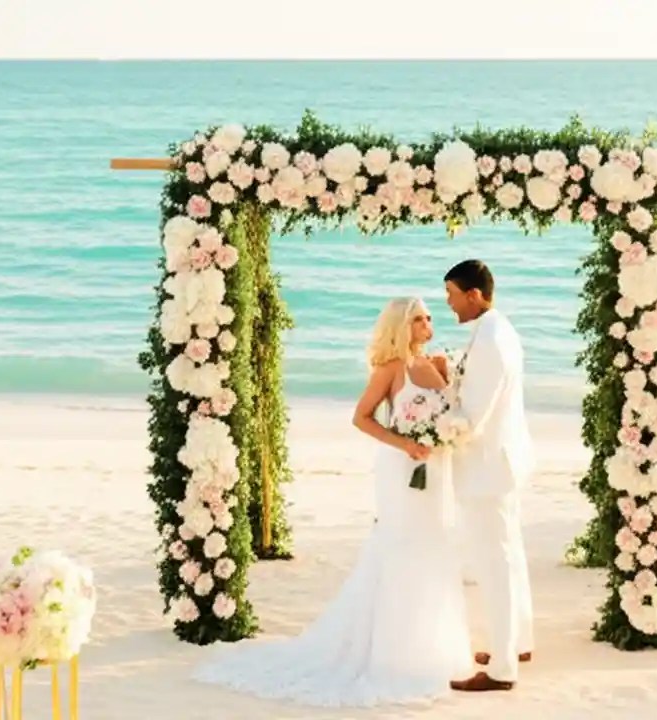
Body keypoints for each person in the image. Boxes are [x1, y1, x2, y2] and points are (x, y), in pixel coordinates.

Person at [192, 296, 473, 707]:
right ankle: (394, 655)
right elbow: (362, 417)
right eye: (418, 318)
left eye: (430, 317)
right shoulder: (391, 369)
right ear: (401, 326)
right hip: (402, 470)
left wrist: (448, 426)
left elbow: (454, 411)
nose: (428, 323)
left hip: (437, 472)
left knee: (435, 548)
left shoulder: (440, 364)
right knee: (402, 550)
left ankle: (434, 647)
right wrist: (406, 444)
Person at [442, 259, 536, 692]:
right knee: (508, 555)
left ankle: (502, 668)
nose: (449, 304)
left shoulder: (491, 341)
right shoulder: (496, 330)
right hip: (501, 462)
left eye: (453, 295)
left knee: (494, 563)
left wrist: (439, 422)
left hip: (488, 468)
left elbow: (472, 416)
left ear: (474, 295)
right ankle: (516, 644)